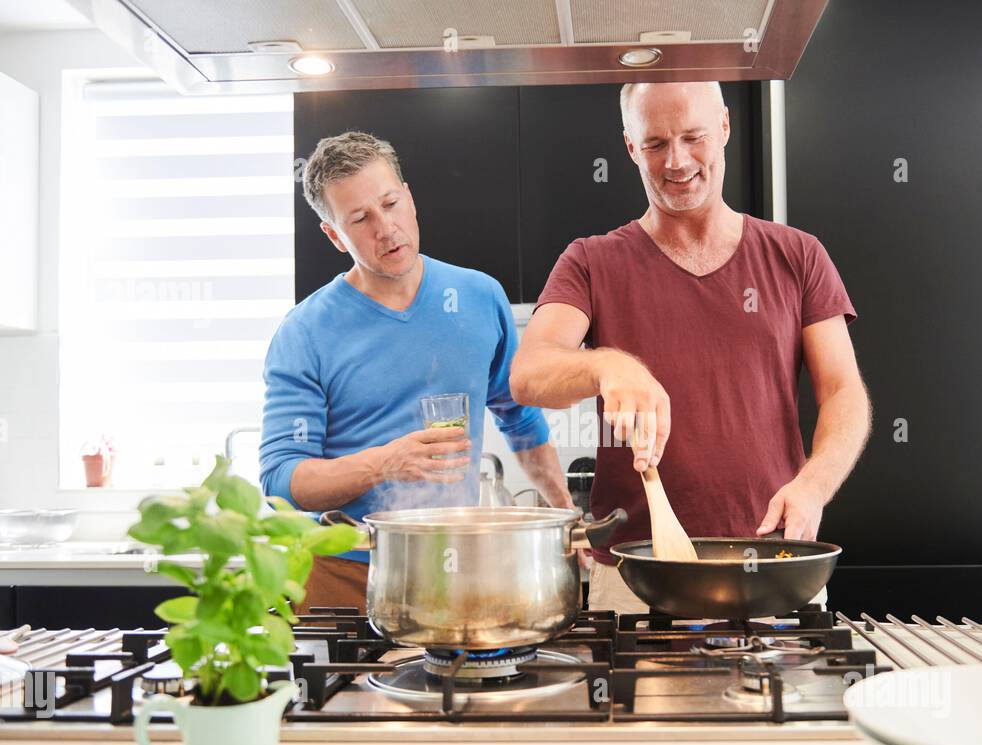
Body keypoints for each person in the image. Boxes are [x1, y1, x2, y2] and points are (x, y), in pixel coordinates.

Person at [510, 82, 871, 614]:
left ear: (724, 127)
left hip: (773, 565)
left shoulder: (797, 255)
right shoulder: (591, 261)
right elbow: (529, 373)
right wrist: (607, 364)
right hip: (636, 578)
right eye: (655, 144)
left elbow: (843, 392)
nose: (676, 161)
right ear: (631, 148)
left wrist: (814, 486)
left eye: (693, 137)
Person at [261, 131, 572, 613]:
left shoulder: (478, 296)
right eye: (360, 218)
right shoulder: (304, 331)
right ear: (334, 236)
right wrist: (382, 463)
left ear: (409, 197)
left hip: (455, 569)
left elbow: (519, 415)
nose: (385, 228)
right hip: (343, 574)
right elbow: (281, 481)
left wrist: (563, 513)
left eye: (390, 203)